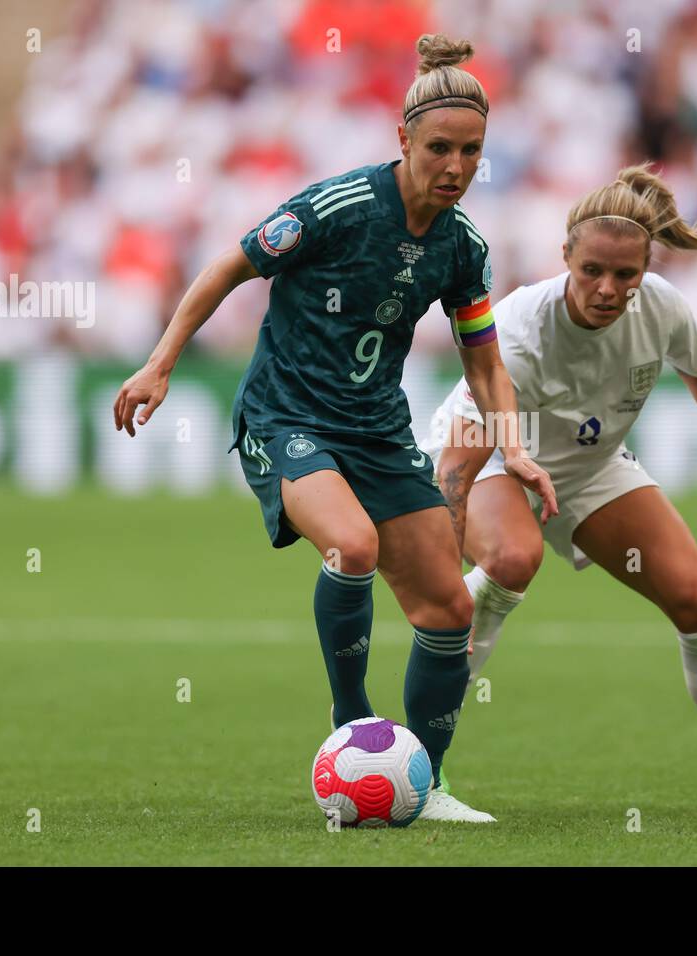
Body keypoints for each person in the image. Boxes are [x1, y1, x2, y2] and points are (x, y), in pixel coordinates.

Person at [113, 34, 556, 823]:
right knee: (352, 546)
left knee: (449, 610)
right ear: (403, 139)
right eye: (440, 148)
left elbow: (485, 361)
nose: (455, 166)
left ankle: (426, 783)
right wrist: (160, 363)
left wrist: (514, 446)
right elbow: (229, 267)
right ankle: (351, 721)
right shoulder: (338, 206)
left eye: (472, 151)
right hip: (286, 414)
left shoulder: (462, 248)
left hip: (377, 429)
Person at [425, 164, 697, 816]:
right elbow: (456, 468)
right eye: (592, 270)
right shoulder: (521, 330)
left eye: (626, 274)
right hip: (500, 460)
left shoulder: (663, 308)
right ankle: (423, 766)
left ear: (647, 269)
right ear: (565, 256)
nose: (607, 288)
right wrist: (446, 585)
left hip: (591, 468)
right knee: (510, 560)